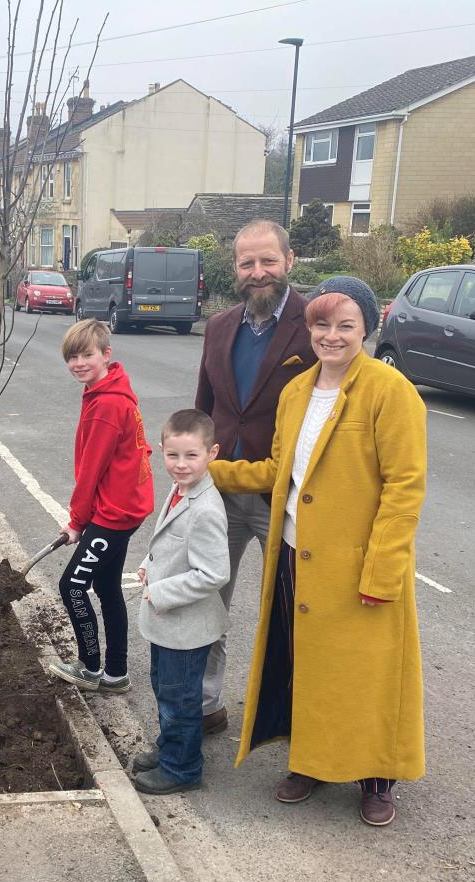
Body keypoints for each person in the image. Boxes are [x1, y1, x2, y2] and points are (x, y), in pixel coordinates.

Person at [208, 276, 427, 827]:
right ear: (309, 329)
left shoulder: (388, 390)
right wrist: (205, 470)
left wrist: (383, 569)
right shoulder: (296, 391)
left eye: (345, 325)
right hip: (293, 553)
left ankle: (376, 777)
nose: (331, 335)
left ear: (366, 329)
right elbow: (277, 471)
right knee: (304, 663)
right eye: (322, 324)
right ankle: (311, 761)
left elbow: (404, 489)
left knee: (365, 672)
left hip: (358, 562)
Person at [194, 219, 316, 737]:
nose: (258, 272)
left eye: (268, 261)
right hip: (221, 492)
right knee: (207, 600)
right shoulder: (220, 326)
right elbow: (209, 406)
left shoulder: (317, 324)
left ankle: (300, 719)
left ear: (289, 261)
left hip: (283, 497)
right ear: (235, 268)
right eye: (248, 263)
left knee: (299, 609)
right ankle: (204, 707)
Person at [47, 319, 153, 693]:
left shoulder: (105, 404)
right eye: (71, 357)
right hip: (125, 507)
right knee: (107, 587)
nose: (78, 363)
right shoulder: (109, 389)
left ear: (106, 355)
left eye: (87, 355)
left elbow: (90, 471)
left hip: (115, 514)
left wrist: (78, 521)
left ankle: (91, 668)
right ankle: (116, 672)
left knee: (72, 586)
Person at [131, 409, 231, 795]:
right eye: (173, 455)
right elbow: (166, 543)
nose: (181, 464)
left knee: (180, 697)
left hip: (186, 626)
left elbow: (213, 573)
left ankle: (182, 767)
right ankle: (170, 746)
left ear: (212, 453)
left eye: (192, 455)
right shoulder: (180, 488)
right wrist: (146, 566)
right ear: (162, 451)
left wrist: (162, 591)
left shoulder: (205, 508)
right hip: (168, 624)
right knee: (164, 686)